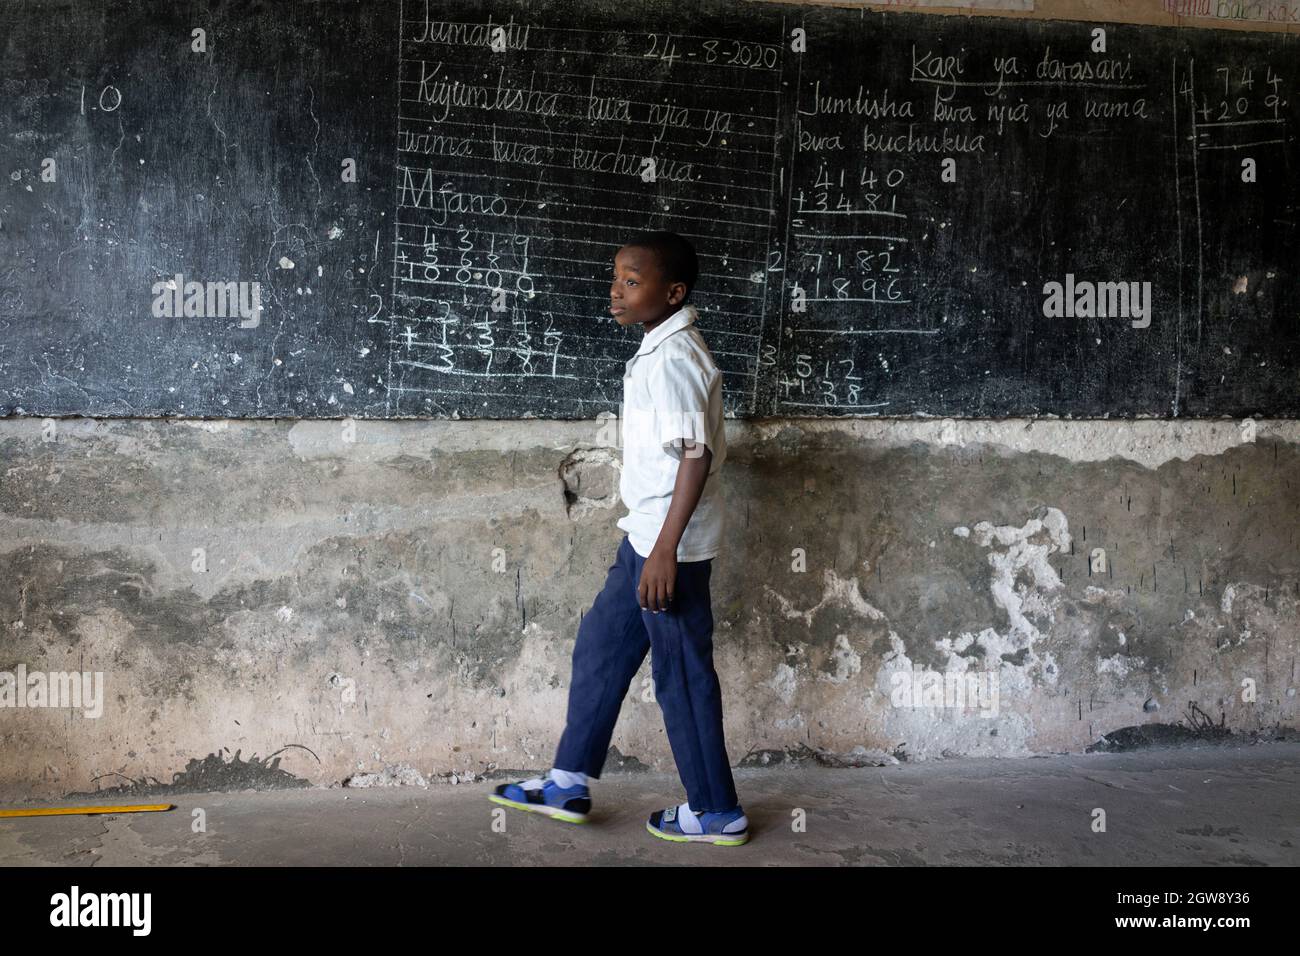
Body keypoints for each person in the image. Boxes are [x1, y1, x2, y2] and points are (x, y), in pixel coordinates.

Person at [488, 231, 748, 845]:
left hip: (668, 551)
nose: (617, 291)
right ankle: (567, 780)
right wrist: (649, 544)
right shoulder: (658, 349)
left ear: (672, 292)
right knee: (602, 645)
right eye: (616, 279)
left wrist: (664, 552)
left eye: (632, 282)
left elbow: (695, 457)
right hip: (645, 539)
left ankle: (716, 811)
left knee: (680, 675)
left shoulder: (679, 357)